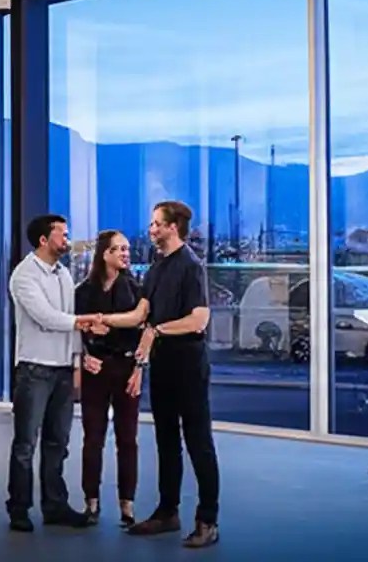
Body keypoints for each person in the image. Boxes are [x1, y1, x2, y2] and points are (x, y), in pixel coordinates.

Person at [122, 200, 221, 548]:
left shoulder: (191, 266)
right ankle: (167, 512)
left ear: (172, 228)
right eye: (151, 224)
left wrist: (158, 331)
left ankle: (207, 520)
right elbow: (141, 314)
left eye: (156, 224)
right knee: (166, 441)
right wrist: (98, 319)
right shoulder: (156, 267)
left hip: (188, 366)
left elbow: (199, 319)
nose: (151, 230)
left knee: (198, 442)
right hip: (162, 366)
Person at [5, 214, 100, 533]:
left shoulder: (62, 273)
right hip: (35, 369)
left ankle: (55, 505)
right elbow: (46, 317)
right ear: (44, 240)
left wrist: (77, 358)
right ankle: (19, 508)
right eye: (63, 234)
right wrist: (84, 321)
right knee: (25, 445)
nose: (68, 239)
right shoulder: (24, 275)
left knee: (58, 442)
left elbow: (69, 318)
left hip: (60, 370)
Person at [73, 230, 145, 529]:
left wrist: (140, 368)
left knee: (128, 439)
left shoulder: (137, 290)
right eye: (119, 249)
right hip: (96, 369)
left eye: (127, 249)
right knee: (93, 438)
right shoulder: (83, 291)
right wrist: (82, 355)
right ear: (104, 254)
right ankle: (91, 502)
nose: (125, 254)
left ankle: (127, 505)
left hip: (126, 367)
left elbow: (144, 331)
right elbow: (74, 329)